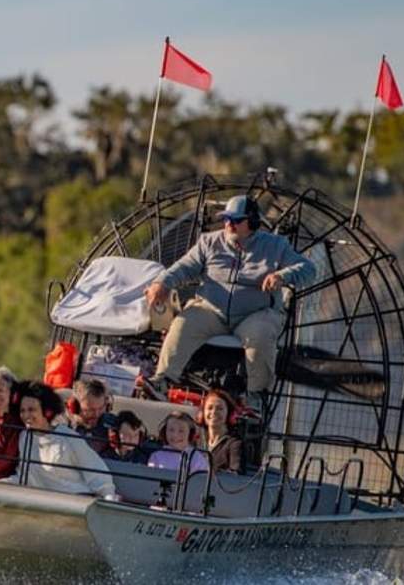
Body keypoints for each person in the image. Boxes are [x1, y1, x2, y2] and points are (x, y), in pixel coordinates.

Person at [141, 194, 317, 410]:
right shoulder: (209, 241)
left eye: (236, 220)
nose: (229, 224)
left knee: (261, 335)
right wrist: (162, 283)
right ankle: (162, 381)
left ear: (252, 222)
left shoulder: (276, 245)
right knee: (183, 324)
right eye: (226, 219)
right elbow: (184, 266)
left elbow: (309, 269)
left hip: (255, 313)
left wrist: (282, 276)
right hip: (211, 310)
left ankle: (255, 397)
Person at [7, 382, 117, 497]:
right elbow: (24, 477)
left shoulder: (68, 438)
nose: (26, 415)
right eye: (22, 411)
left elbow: (99, 476)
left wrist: (108, 500)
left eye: (31, 410)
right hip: (45, 503)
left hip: (78, 500)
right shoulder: (24, 438)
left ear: (46, 411)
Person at [68, 378, 117, 456]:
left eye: (101, 408)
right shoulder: (63, 427)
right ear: (75, 407)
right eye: (90, 410)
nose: (97, 414)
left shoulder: (114, 424)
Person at [200, 389, 242, 473]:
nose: (214, 412)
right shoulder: (196, 440)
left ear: (228, 413)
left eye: (220, 409)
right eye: (210, 408)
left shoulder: (235, 444)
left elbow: (235, 474)